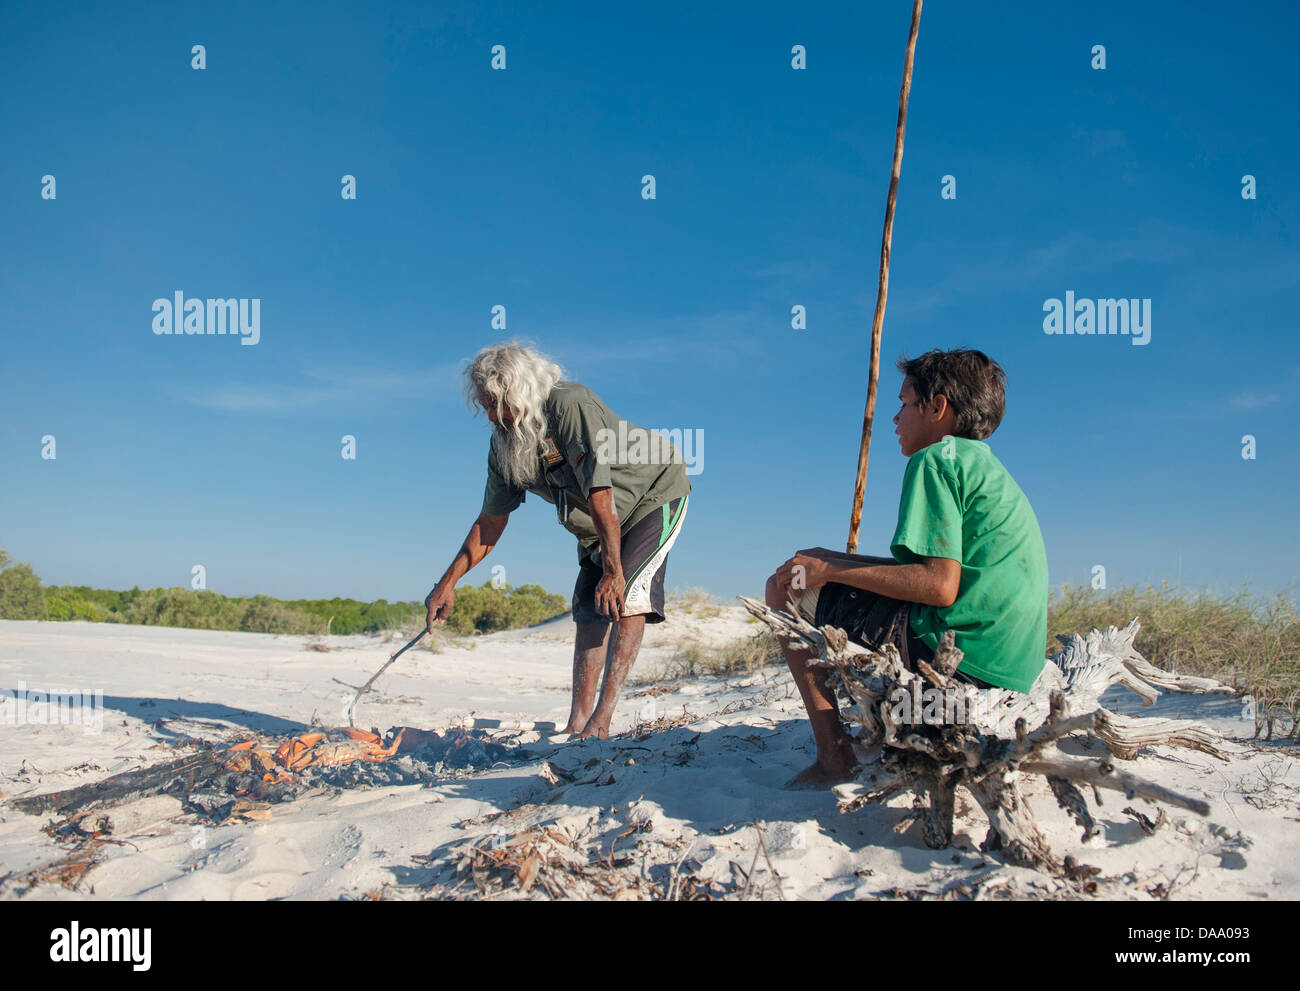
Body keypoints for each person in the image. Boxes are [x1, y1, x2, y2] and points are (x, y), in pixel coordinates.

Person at [766, 348, 1048, 788]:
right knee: (814, 570)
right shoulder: (980, 465)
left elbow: (937, 586)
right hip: (1010, 666)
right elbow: (932, 569)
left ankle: (834, 758)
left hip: (962, 656)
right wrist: (835, 561)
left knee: (784, 587)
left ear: (937, 408)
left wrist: (829, 572)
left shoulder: (934, 460)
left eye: (903, 404)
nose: (894, 419)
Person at [425, 342, 691, 739]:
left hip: (652, 493)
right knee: (587, 608)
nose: (491, 415)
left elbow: (600, 493)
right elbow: (491, 521)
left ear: (519, 391)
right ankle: (577, 723)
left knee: (627, 596)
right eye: (484, 406)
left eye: (497, 403)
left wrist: (614, 572)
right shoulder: (503, 445)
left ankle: (601, 723)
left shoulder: (570, 404)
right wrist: (448, 583)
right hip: (597, 522)